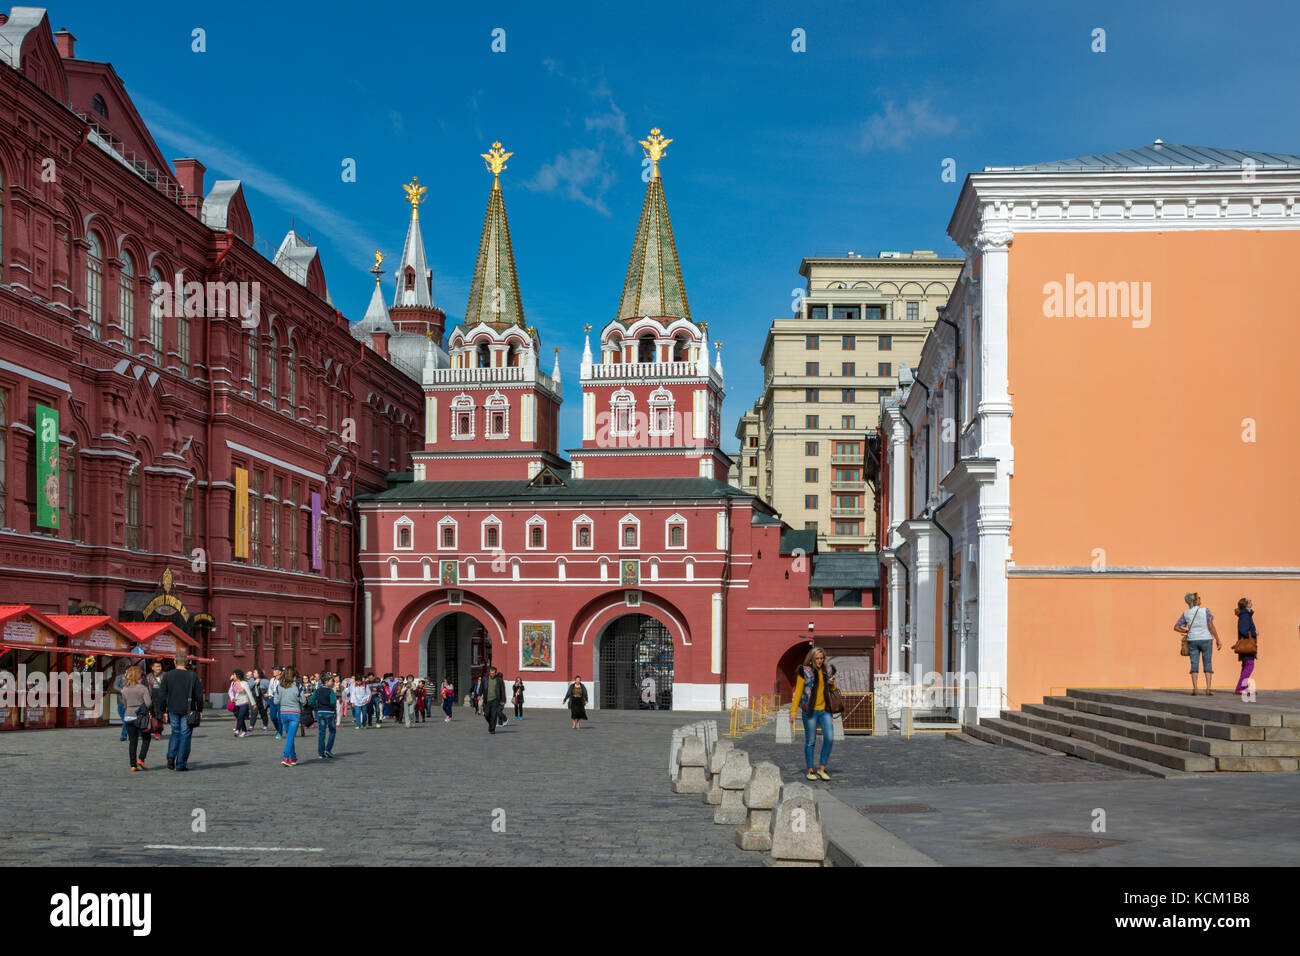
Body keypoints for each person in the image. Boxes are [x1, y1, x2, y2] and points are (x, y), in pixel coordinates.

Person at [789, 646, 837, 781]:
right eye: (817, 658)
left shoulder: (827, 670)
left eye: (822, 658)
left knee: (829, 738)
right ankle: (810, 770)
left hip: (824, 711)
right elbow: (798, 692)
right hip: (810, 711)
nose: (820, 661)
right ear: (812, 658)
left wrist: (831, 683)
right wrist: (793, 712)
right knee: (810, 741)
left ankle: (822, 768)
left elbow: (833, 688)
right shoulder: (804, 672)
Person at [160, 651, 204, 771]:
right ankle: (180, 764)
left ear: (175, 662)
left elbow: (162, 695)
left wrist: (163, 711)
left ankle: (170, 756)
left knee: (175, 732)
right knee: (185, 735)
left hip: (173, 708)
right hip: (188, 709)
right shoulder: (192, 676)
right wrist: (200, 709)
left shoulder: (167, 676)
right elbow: (199, 696)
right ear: (187, 663)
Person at [1175, 592, 1222, 696]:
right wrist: (1218, 639)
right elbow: (1211, 626)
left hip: (1192, 640)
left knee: (1194, 663)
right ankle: (1208, 688)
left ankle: (1195, 688)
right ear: (1195, 601)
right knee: (1208, 663)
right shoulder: (1205, 611)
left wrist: (1186, 631)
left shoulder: (1186, 613)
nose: (1200, 600)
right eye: (1199, 598)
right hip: (1206, 639)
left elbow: (1176, 627)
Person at [120, 665, 153, 771]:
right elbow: (148, 704)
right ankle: (141, 759)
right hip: (140, 716)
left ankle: (133, 765)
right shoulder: (143, 688)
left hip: (128, 716)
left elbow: (124, 704)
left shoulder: (124, 689)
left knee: (132, 741)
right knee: (146, 738)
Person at [1233, 598, 1259, 695]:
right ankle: (1241, 687)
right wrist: (1254, 633)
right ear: (1246, 604)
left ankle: (1243, 687)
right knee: (1249, 665)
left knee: (1246, 666)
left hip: (1247, 645)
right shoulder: (1245, 616)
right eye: (1249, 601)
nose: (1252, 602)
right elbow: (1243, 630)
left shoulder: (1246, 615)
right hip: (1247, 645)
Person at [313, 671, 337, 759]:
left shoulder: (317, 691)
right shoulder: (330, 691)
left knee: (321, 733)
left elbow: (311, 700)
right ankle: (328, 749)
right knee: (332, 731)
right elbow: (333, 702)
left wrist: (317, 707)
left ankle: (320, 753)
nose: (333, 682)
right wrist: (330, 707)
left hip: (320, 713)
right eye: (331, 681)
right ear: (326, 681)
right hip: (329, 713)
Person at [481, 665, 507, 734]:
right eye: (490, 673)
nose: (491, 674)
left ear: (495, 673)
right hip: (487, 700)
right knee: (486, 714)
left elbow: (502, 690)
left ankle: (492, 729)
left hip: (495, 700)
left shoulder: (499, 680)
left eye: (493, 673)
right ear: (489, 672)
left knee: (493, 715)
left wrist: (503, 700)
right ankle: (491, 724)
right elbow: (481, 687)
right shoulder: (485, 679)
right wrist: (478, 695)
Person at [143, 660, 166, 740]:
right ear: (152, 667)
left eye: (159, 666)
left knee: (160, 717)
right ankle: (151, 730)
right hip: (151, 698)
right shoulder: (148, 676)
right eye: (156, 666)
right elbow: (145, 688)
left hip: (162, 699)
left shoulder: (165, 675)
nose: (158, 668)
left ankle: (158, 732)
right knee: (152, 716)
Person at [228, 669, 255, 738]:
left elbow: (249, 693)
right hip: (236, 703)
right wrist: (232, 698)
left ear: (237, 675)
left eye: (233, 674)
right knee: (240, 718)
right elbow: (230, 691)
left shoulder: (244, 683)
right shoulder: (233, 683)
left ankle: (237, 730)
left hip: (244, 702)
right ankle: (245, 732)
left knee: (240, 716)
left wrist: (253, 703)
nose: (232, 676)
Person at [267, 665, 284, 738]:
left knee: (280, 718)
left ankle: (280, 732)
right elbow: (270, 689)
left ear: (280, 672)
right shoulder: (272, 680)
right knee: (273, 716)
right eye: (273, 670)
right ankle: (278, 729)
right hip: (272, 699)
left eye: (275, 670)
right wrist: (270, 695)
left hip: (280, 700)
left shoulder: (283, 680)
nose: (273, 671)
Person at [114, 668, 128, 741]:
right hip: (120, 701)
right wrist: (121, 690)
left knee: (125, 720)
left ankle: (123, 735)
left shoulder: (134, 679)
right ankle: (137, 732)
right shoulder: (119, 677)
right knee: (124, 719)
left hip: (129, 703)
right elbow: (115, 686)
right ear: (126, 671)